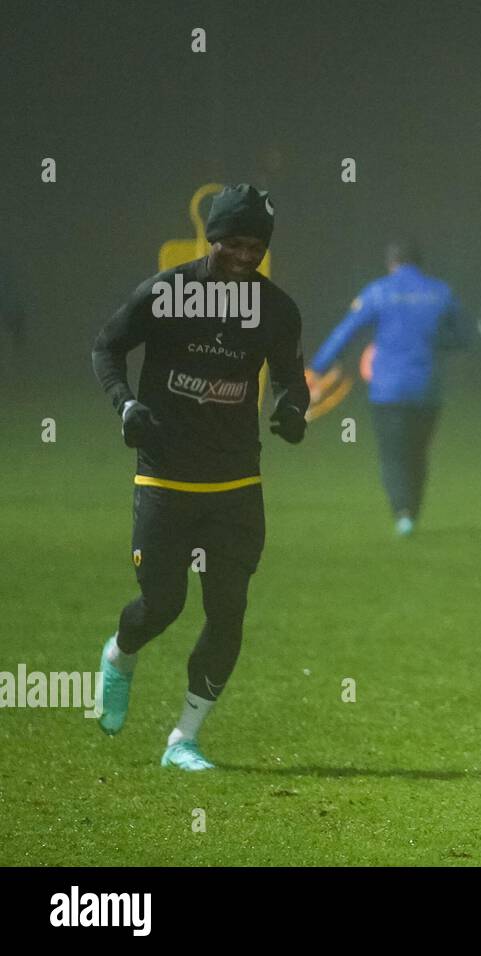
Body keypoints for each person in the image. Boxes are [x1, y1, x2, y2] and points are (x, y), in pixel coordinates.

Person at [90, 183, 309, 771]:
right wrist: (126, 406)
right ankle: (120, 654)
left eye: (255, 248)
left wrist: (291, 410)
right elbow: (107, 349)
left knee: (227, 611)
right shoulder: (166, 293)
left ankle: (183, 739)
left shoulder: (275, 308)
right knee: (160, 606)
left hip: (236, 483)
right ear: (211, 238)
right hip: (165, 477)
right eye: (233, 244)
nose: (244, 257)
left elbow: (291, 375)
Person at [308, 240, 463, 536]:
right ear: (420, 263)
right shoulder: (440, 292)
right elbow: (464, 336)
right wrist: (431, 343)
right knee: (417, 453)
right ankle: (413, 512)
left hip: (388, 390)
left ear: (391, 263)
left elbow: (345, 332)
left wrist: (318, 367)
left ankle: (402, 513)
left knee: (393, 454)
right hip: (427, 389)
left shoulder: (378, 292)